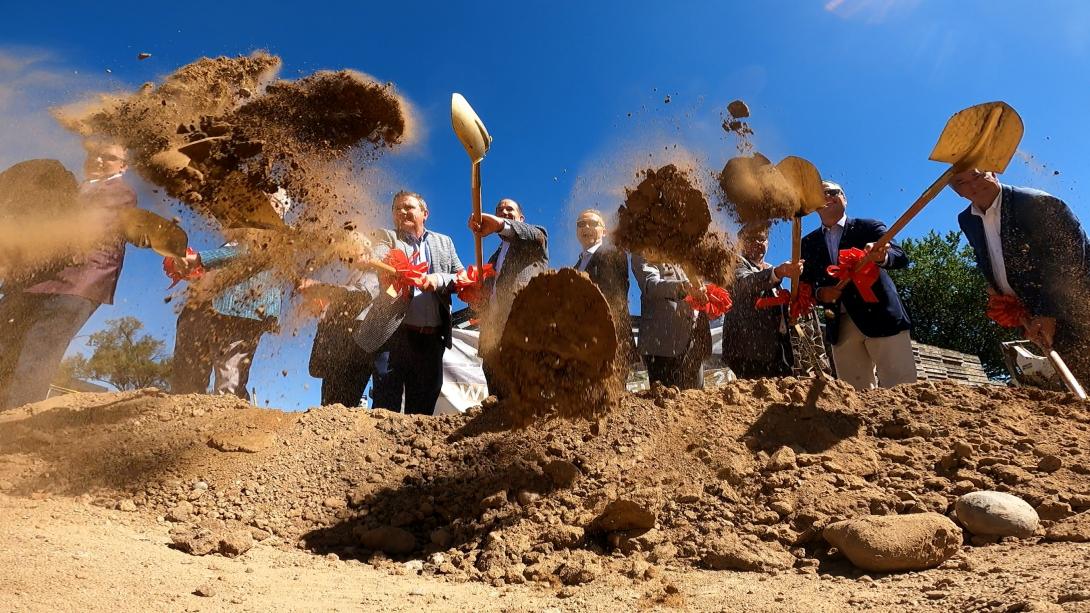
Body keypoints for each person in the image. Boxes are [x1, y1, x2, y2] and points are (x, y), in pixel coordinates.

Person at [0, 142, 136, 409]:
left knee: (37, 352)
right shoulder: (71, 188)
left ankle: (15, 427)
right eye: (94, 154)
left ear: (123, 166)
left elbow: (82, 226)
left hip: (78, 282)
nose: (98, 160)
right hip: (36, 280)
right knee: (5, 345)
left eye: (108, 157)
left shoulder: (121, 193)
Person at [951, 168, 1090, 384]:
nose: (974, 185)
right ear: (957, 192)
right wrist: (997, 291)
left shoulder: (1035, 203)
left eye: (978, 175)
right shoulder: (967, 220)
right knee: (1076, 378)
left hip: (1077, 306)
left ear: (994, 174)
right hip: (1036, 313)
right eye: (962, 181)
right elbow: (987, 257)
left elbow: (1068, 259)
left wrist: (1048, 312)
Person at [353, 191, 464, 414]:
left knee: (422, 411)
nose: (402, 211)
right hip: (393, 337)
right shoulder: (386, 236)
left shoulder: (445, 243)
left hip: (432, 341)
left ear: (425, 213)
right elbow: (379, 253)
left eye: (408, 207)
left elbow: (462, 277)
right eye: (397, 209)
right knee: (385, 407)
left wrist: (438, 279)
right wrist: (364, 252)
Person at [800, 180, 916, 390]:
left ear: (844, 197)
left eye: (833, 192)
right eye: (821, 194)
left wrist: (881, 256)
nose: (828, 196)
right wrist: (820, 293)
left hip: (882, 317)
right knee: (854, 394)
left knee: (901, 386)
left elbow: (900, 257)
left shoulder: (869, 226)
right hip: (841, 326)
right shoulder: (807, 244)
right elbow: (805, 283)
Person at [468, 198, 549, 397]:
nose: (503, 211)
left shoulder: (534, 240)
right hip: (493, 337)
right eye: (499, 210)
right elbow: (486, 298)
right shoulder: (492, 259)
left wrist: (499, 224)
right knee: (498, 397)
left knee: (524, 394)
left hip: (523, 332)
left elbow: (535, 235)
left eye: (509, 209)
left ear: (521, 217)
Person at [306, 225, 376, 407]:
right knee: (329, 404)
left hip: (356, 345)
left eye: (354, 249)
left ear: (366, 252)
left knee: (343, 405)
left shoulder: (373, 273)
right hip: (335, 346)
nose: (348, 255)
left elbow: (359, 295)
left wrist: (323, 289)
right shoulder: (347, 275)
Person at [722, 222, 802, 379]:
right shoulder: (733, 263)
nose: (758, 243)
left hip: (777, 351)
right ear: (741, 243)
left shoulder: (769, 269)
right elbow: (745, 284)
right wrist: (778, 272)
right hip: (747, 352)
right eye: (752, 239)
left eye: (762, 238)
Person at [632, 254, 711, 389]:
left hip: (694, 342)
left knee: (697, 403)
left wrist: (704, 290)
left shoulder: (683, 250)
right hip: (664, 344)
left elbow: (699, 283)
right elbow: (651, 285)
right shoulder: (644, 248)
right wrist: (683, 288)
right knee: (668, 403)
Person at [571, 208, 634, 368]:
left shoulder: (613, 254)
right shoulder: (576, 267)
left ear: (604, 231)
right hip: (582, 344)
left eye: (592, 223)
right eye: (581, 224)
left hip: (612, 341)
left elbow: (614, 294)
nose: (586, 227)